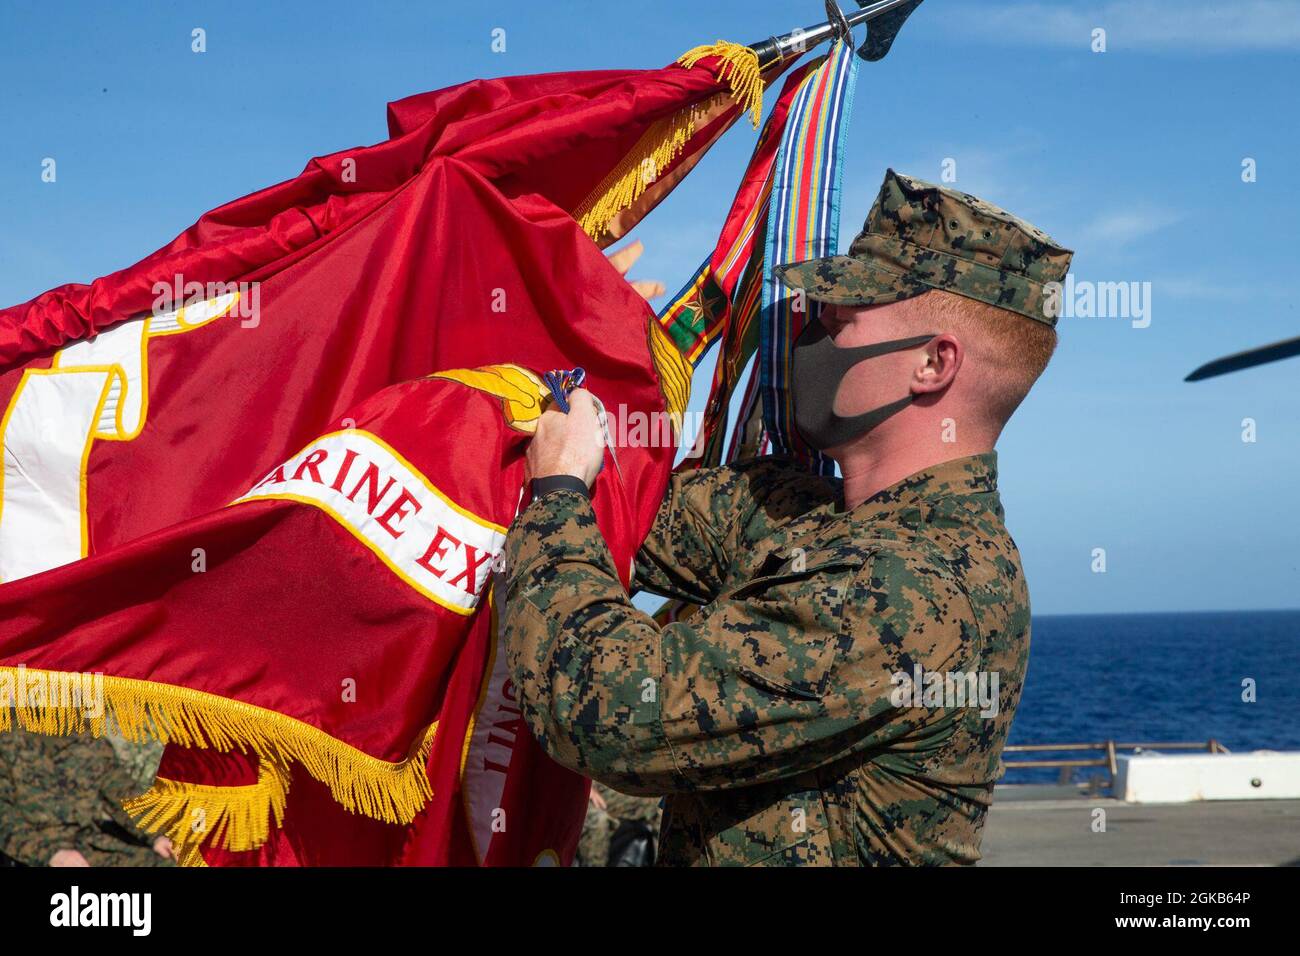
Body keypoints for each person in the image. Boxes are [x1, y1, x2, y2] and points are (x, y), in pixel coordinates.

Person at [502, 169, 1073, 865]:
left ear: (932, 363)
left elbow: (596, 706)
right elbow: (623, 497)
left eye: (843, 315)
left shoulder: (910, 586)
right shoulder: (811, 517)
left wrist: (556, 493)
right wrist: (568, 327)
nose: (813, 327)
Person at [0, 725, 173, 867]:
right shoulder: (7, 738)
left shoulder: (83, 736)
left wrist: (159, 834)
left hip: (89, 845)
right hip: (30, 852)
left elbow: (120, 789)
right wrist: (51, 854)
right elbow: (3, 816)